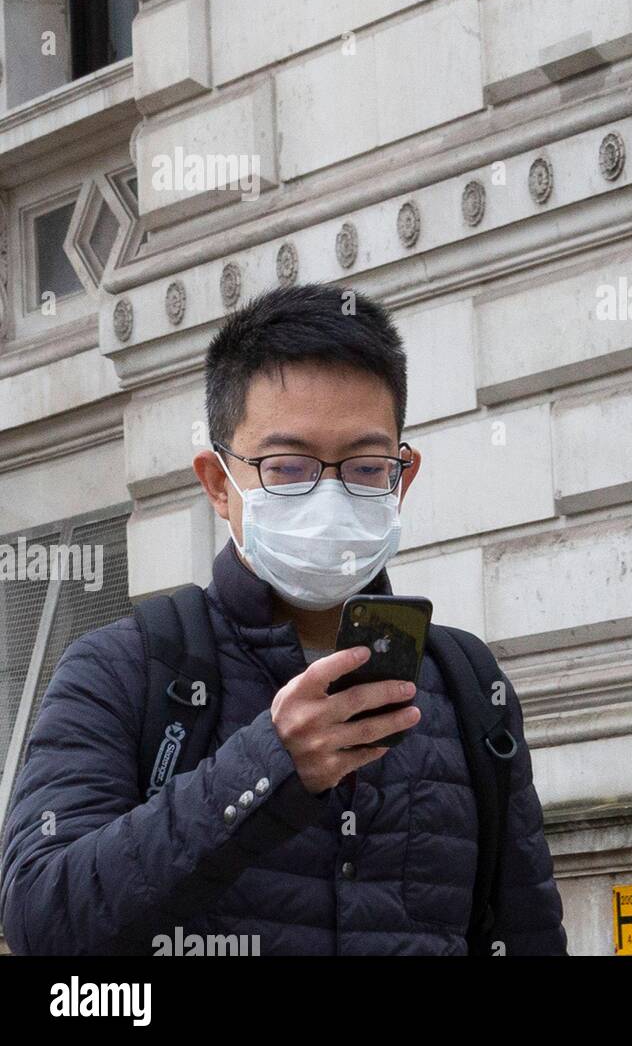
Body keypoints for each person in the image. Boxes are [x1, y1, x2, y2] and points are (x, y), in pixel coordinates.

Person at [0, 283, 567, 955]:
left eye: (365, 467)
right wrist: (269, 766)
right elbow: (41, 914)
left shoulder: (465, 684)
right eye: (288, 467)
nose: (328, 494)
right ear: (218, 483)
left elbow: (527, 934)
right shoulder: (124, 670)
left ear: (402, 477)